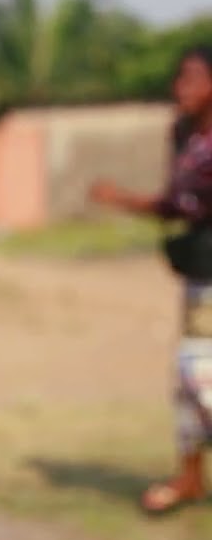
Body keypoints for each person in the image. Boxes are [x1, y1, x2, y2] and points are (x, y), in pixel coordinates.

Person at [89, 45, 212, 515]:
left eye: (194, 78)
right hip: (199, 271)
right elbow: (175, 203)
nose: (182, 89)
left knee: (198, 372)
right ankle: (191, 476)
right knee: (186, 382)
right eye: (179, 79)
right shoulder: (184, 135)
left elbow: (180, 205)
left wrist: (120, 199)